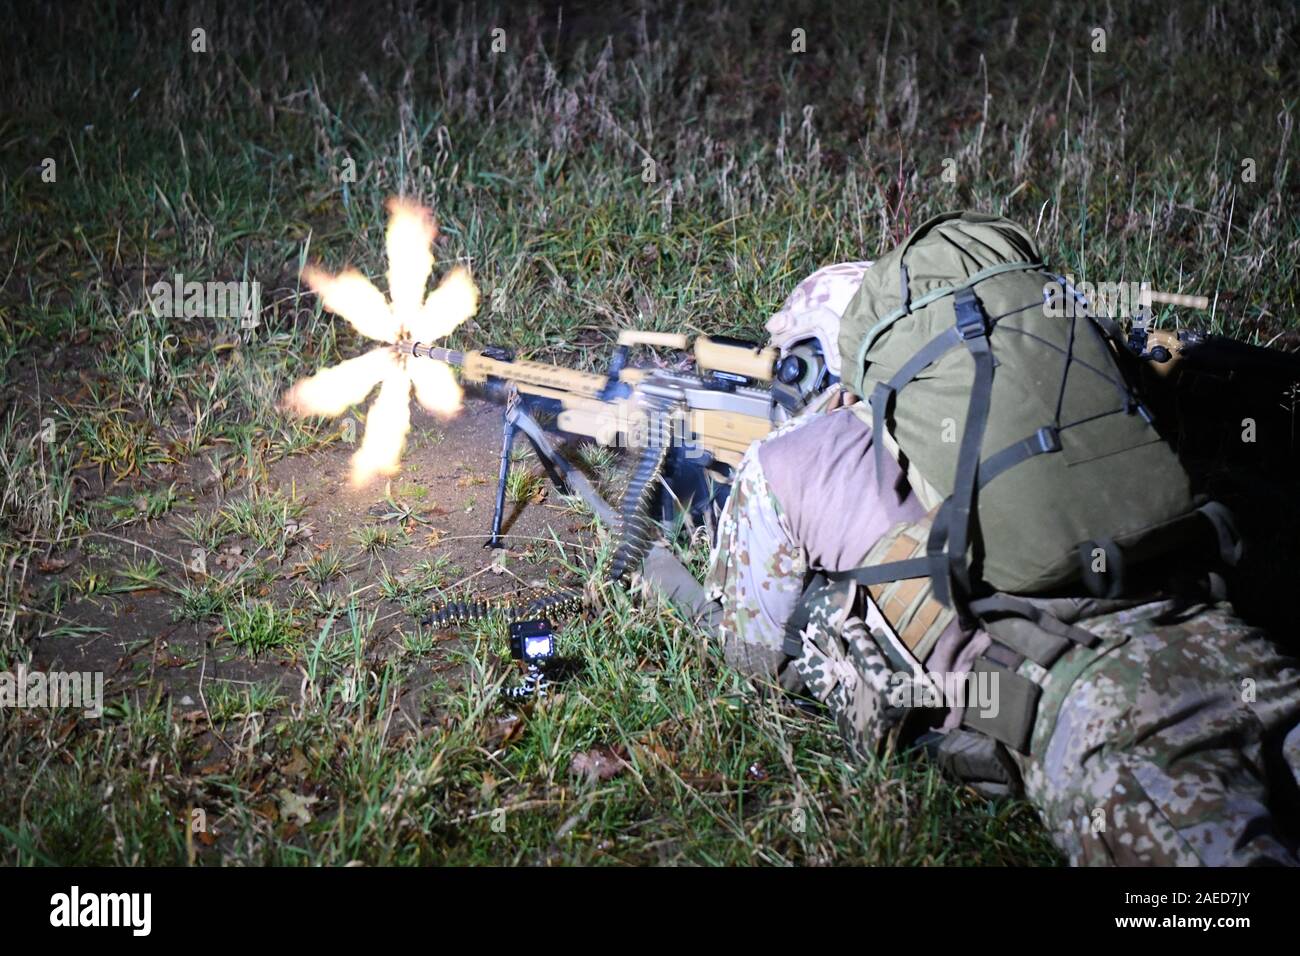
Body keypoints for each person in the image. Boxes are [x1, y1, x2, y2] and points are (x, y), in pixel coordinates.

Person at [706, 262, 1300, 866]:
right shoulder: (1049, 407)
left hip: (1104, 717)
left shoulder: (787, 461)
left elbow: (750, 652)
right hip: (1226, 638)